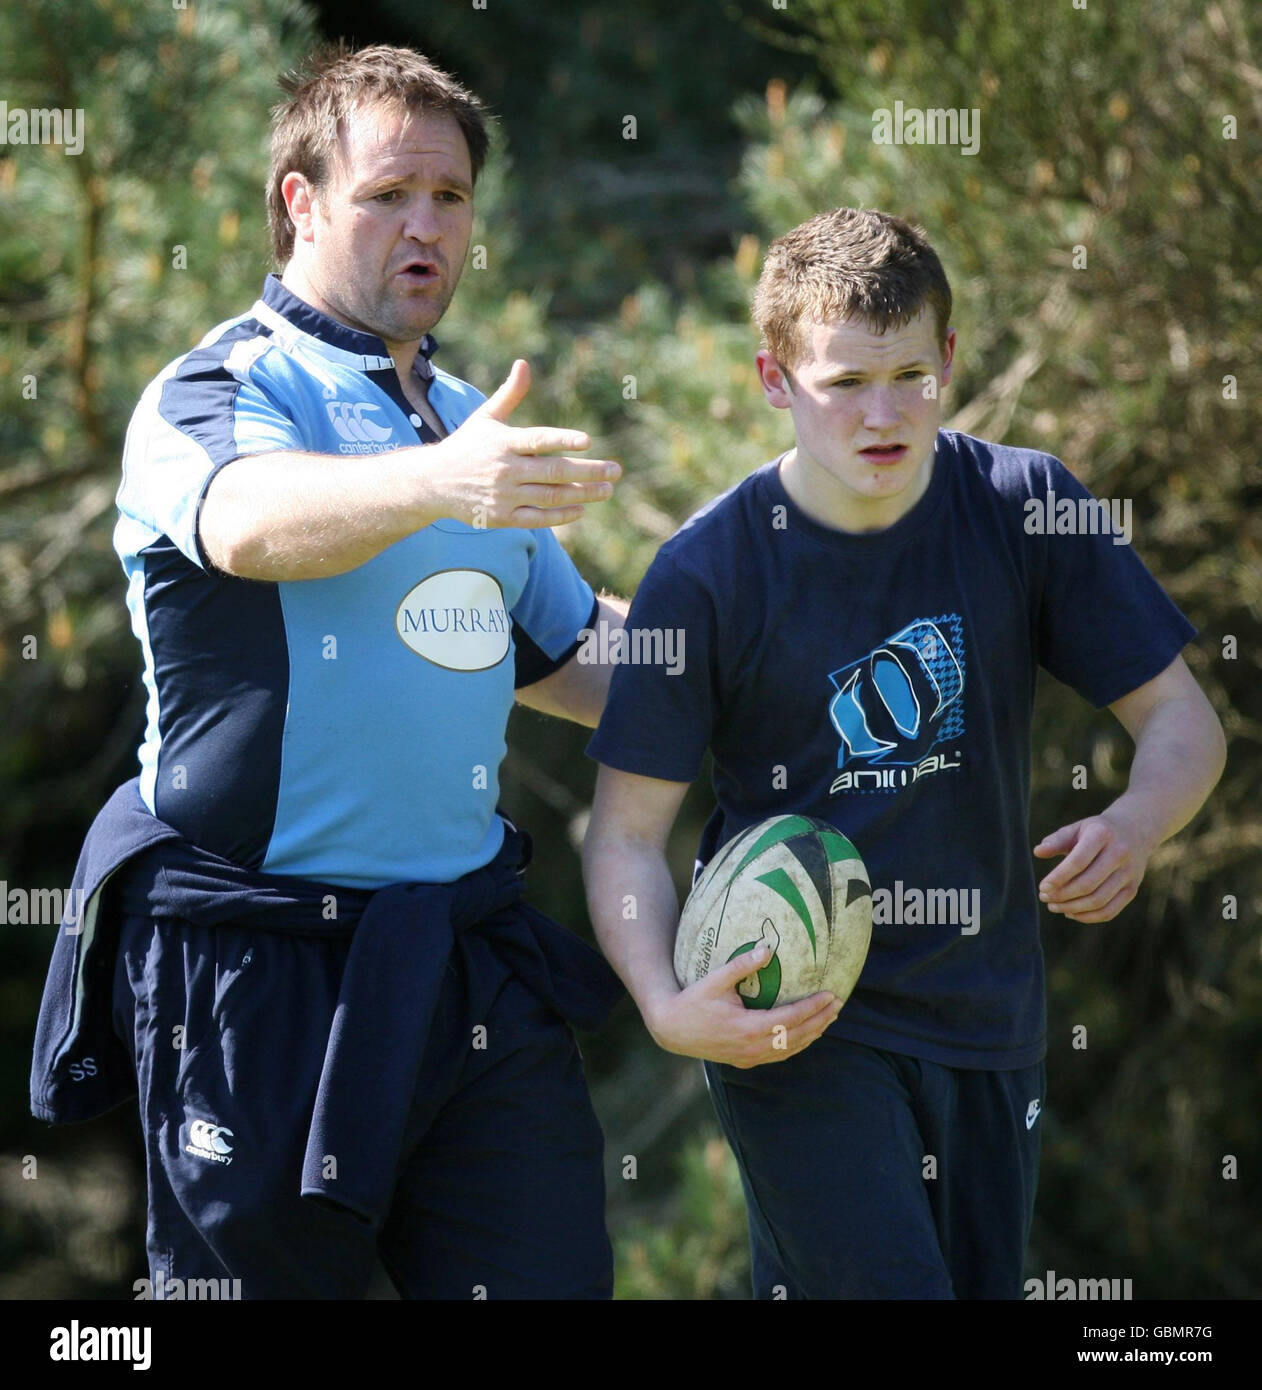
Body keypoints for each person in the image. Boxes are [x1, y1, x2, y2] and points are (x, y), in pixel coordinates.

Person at [31, 43, 628, 1300]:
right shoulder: (212, 388)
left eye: (451, 198)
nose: (426, 226)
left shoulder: (467, 417)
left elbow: (576, 656)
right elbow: (246, 524)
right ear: (300, 202)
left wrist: (773, 668)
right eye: (387, 195)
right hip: (253, 965)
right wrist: (441, 480)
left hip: (459, 960)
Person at [581, 207, 1225, 1299]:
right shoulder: (705, 571)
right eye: (842, 383)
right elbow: (624, 836)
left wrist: (1132, 824)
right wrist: (660, 999)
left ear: (949, 361)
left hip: (989, 1019)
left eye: (910, 376)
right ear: (774, 380)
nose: (882, 414)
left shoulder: (1025, 506)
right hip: (794, 1026)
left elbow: (1182, 724)